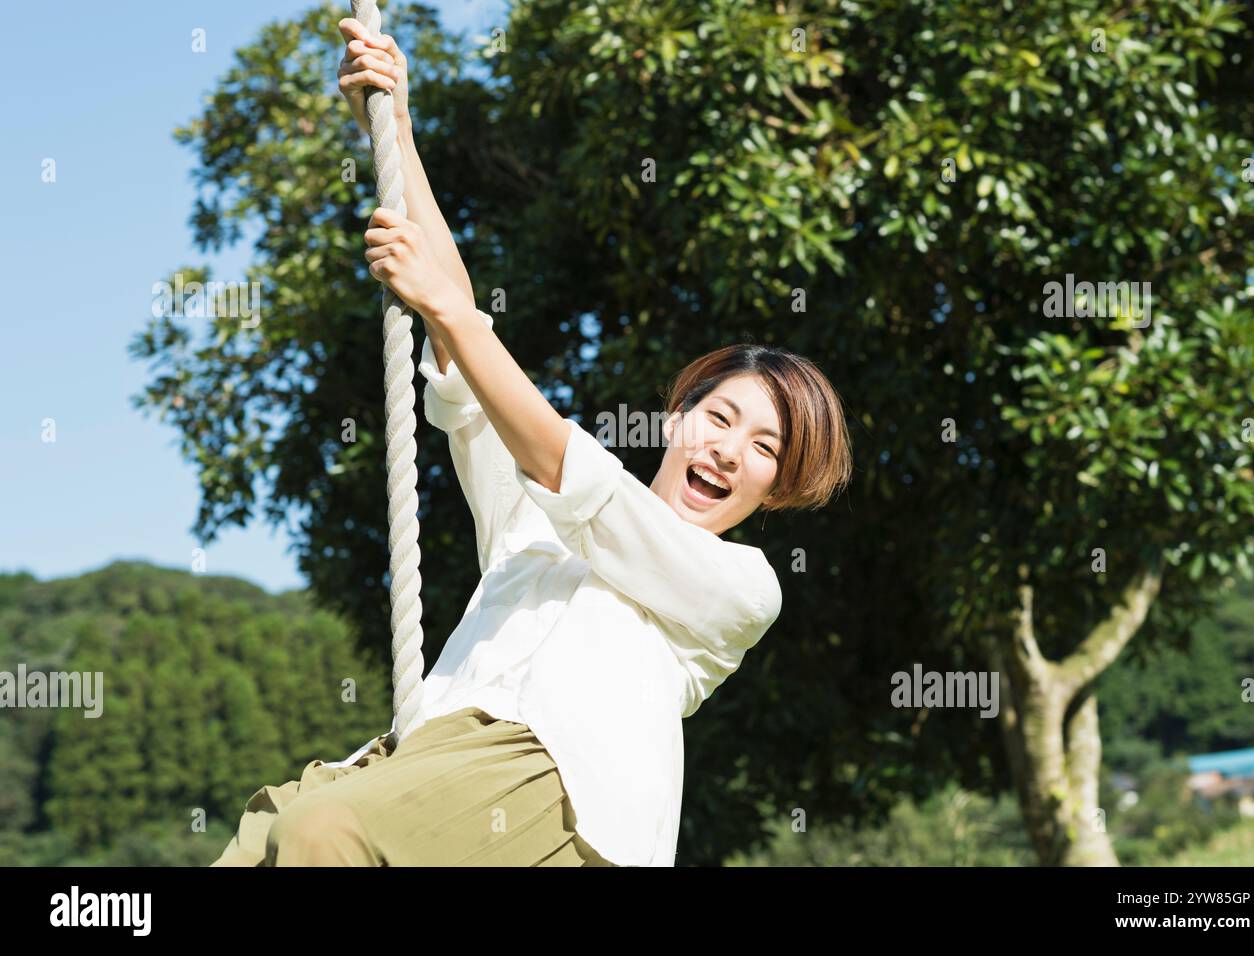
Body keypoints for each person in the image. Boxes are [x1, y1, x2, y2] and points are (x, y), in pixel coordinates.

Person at [209, 16, 853, 868]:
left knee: (323, 832)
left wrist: (446, 311)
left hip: (557, 795)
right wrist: (394, 124)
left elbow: (567, 464)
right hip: (430, 758)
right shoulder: (530, 525)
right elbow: (462, 345)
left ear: (775, 490)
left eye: (765, 449)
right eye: (720, 417)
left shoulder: (739, 588)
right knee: (265, 844)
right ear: (677, 418)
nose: (731, 450)